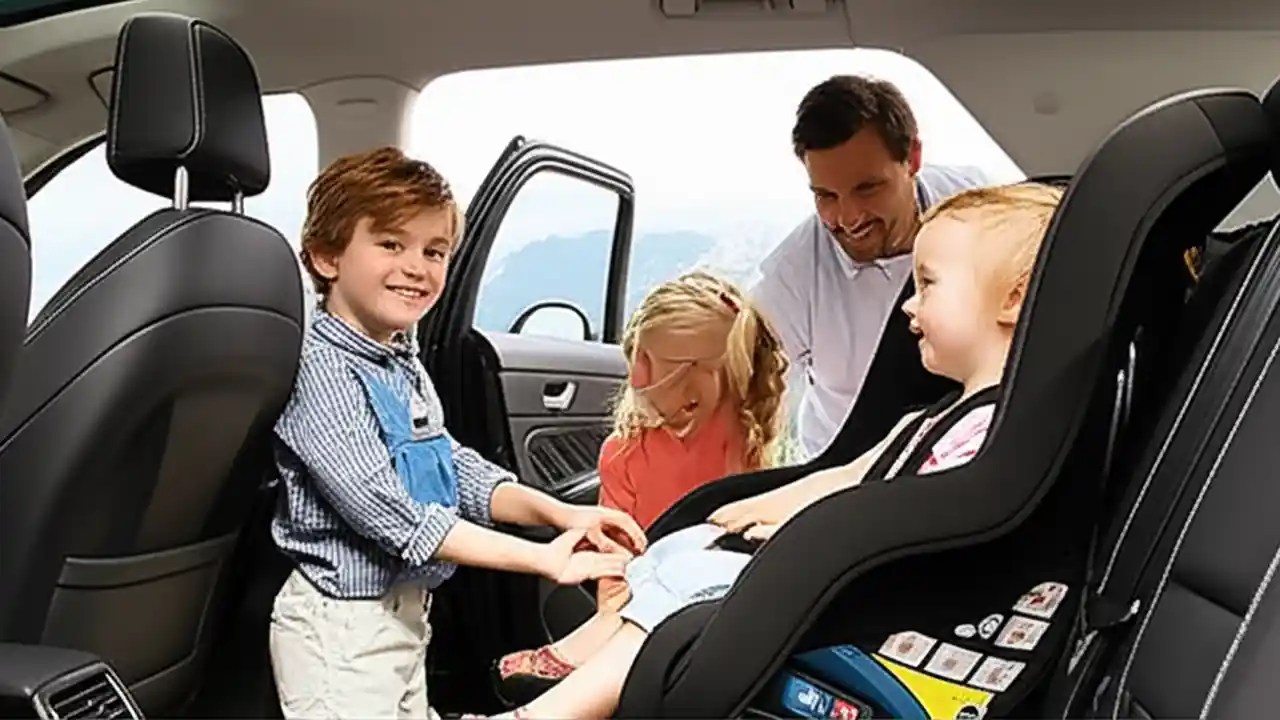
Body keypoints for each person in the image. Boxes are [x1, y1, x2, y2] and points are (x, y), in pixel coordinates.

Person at [476, 181, 1064, 719]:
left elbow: (913, 525)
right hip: (846, 578)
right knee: (682, 549)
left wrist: (797, 539)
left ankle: (545, 714)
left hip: (886, 616)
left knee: (693, 576)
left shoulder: (994, 437)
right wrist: (765, 508)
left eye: (927, 284)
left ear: (1012, 299)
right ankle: (580, 654)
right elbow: (851, 474)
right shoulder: (937, 416)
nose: (908, 305)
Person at [267, 146, 645, 720]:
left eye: (435, 250)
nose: (418, 266)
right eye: (391, 244)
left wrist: (559, 514)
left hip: (402, 614)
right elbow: (395, 517)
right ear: (326, 256)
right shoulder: (322, 371)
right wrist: (544, 560)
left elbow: (450, 466)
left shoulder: (399, 360)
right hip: (338, 627)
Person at [494, 271, 790, 698]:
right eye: (638, 356)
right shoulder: (625, 452)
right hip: (640, 591)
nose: (635, 376)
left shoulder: (743, 443)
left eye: (655, 364)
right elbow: (614, 551)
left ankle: (584, 660)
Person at [753, 74, 1004, 460]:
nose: (849, 217)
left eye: (867, 188)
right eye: (826, 196)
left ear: (912, 159)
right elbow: (747, 393)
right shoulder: (791, 278)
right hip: (842, 471)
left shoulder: (979, 208)